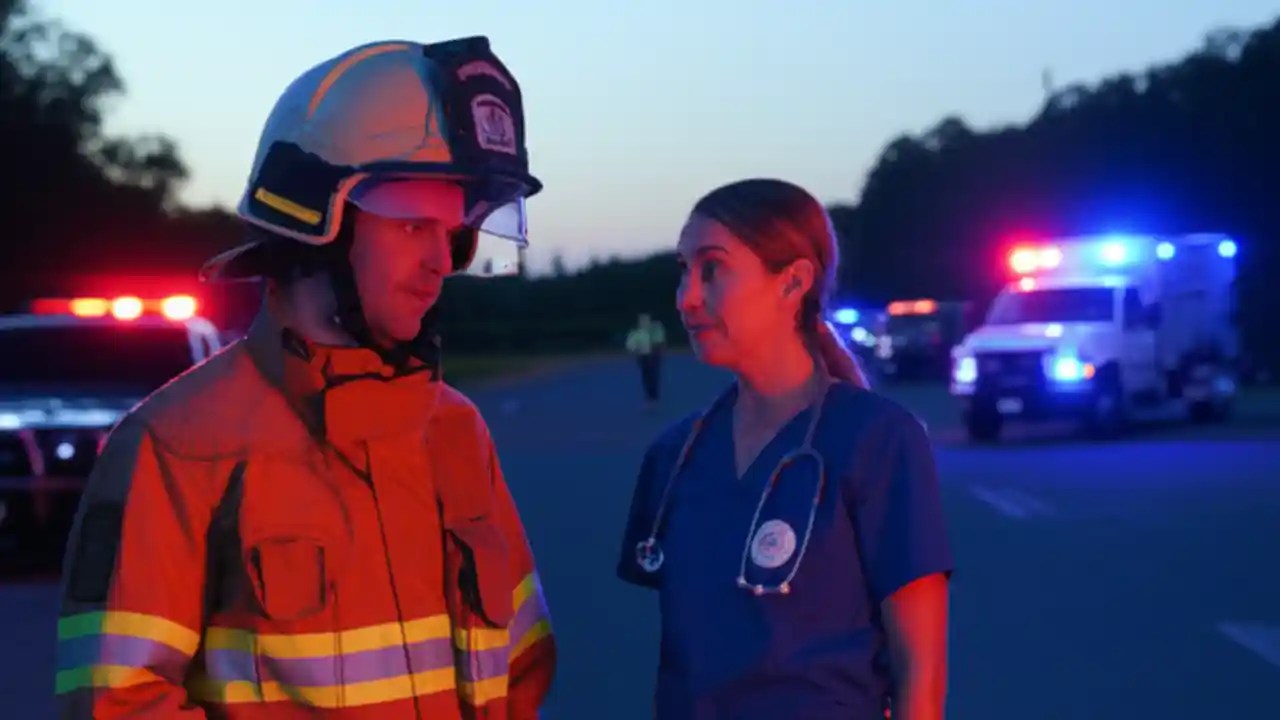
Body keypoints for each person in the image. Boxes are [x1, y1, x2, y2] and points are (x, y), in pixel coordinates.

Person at [54, 38, 555, 719]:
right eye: (413, 224)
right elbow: (115, 706)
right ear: (316, 220)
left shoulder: (456, 430)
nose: (443, 261)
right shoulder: (177, 446)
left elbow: (522, 669)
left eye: (455, 232)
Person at [617, 179, 952, 719]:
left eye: (712, 268)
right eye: (683, 271)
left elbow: (921, 673)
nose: (687, 298)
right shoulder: (673, 456)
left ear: (793, 281)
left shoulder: (878, 439)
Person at [625, 312, 667, 407]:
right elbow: (632, 346)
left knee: (653, 376)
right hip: (643, 356)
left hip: (653, 356)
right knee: (646, 376)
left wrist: (659, 353)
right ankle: (650, 397)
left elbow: (659, 343)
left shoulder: (656, 328)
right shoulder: (637, 332)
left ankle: (653, 398)